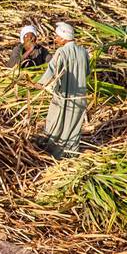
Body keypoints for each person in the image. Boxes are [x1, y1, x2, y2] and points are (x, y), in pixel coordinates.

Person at [33, 22, 91, 159]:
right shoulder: (83, 52)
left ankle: (51, 150)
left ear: (64, 38)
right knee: (73, 124)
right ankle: (70, 153)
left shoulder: (62, 52)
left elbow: (52, 70)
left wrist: (40, 84)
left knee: (56, 120)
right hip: (79, 96)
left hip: (63, 95)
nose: (55, 39)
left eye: (57, 36)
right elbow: (87, 72)